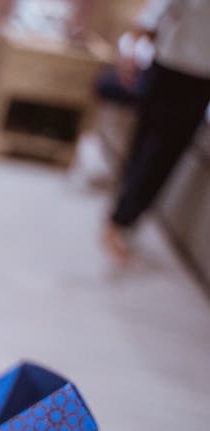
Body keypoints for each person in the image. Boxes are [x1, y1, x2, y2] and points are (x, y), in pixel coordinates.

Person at [102, 0, 210, 263]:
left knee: (157, 151)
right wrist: (130, 49)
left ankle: (121, 217)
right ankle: (120, 219)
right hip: (172, 71)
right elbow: (153, 15)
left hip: (188, 76)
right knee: (153, 150)